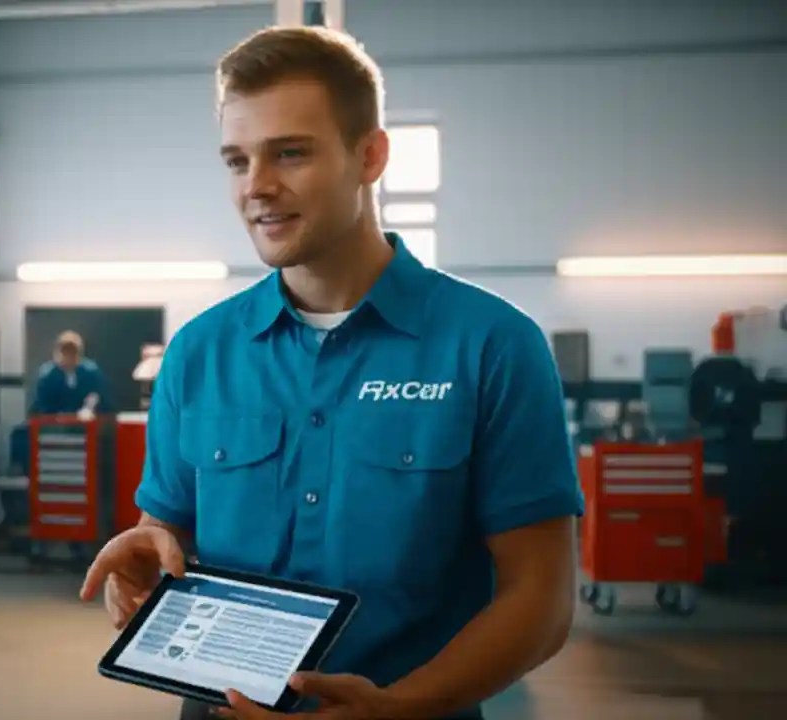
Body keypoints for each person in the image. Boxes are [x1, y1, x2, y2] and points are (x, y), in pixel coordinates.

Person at [80, 26, 583, 720]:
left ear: (370, 154)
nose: (257, 187)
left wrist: (401, 706)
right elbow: (166, 530)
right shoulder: (198, 353)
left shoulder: (492, 346)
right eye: (236, 160)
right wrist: (146, 560)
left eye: (289, 153)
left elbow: (543, 599)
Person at [30, 330, 108, 419]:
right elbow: (42, 403)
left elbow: (96, 395)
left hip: (86, 423)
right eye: (65, 353)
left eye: (73, 353)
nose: (69, 357)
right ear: (57, 353)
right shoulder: (47, 375)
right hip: (53, 425)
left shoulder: (91, 372)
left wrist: (88, 409)